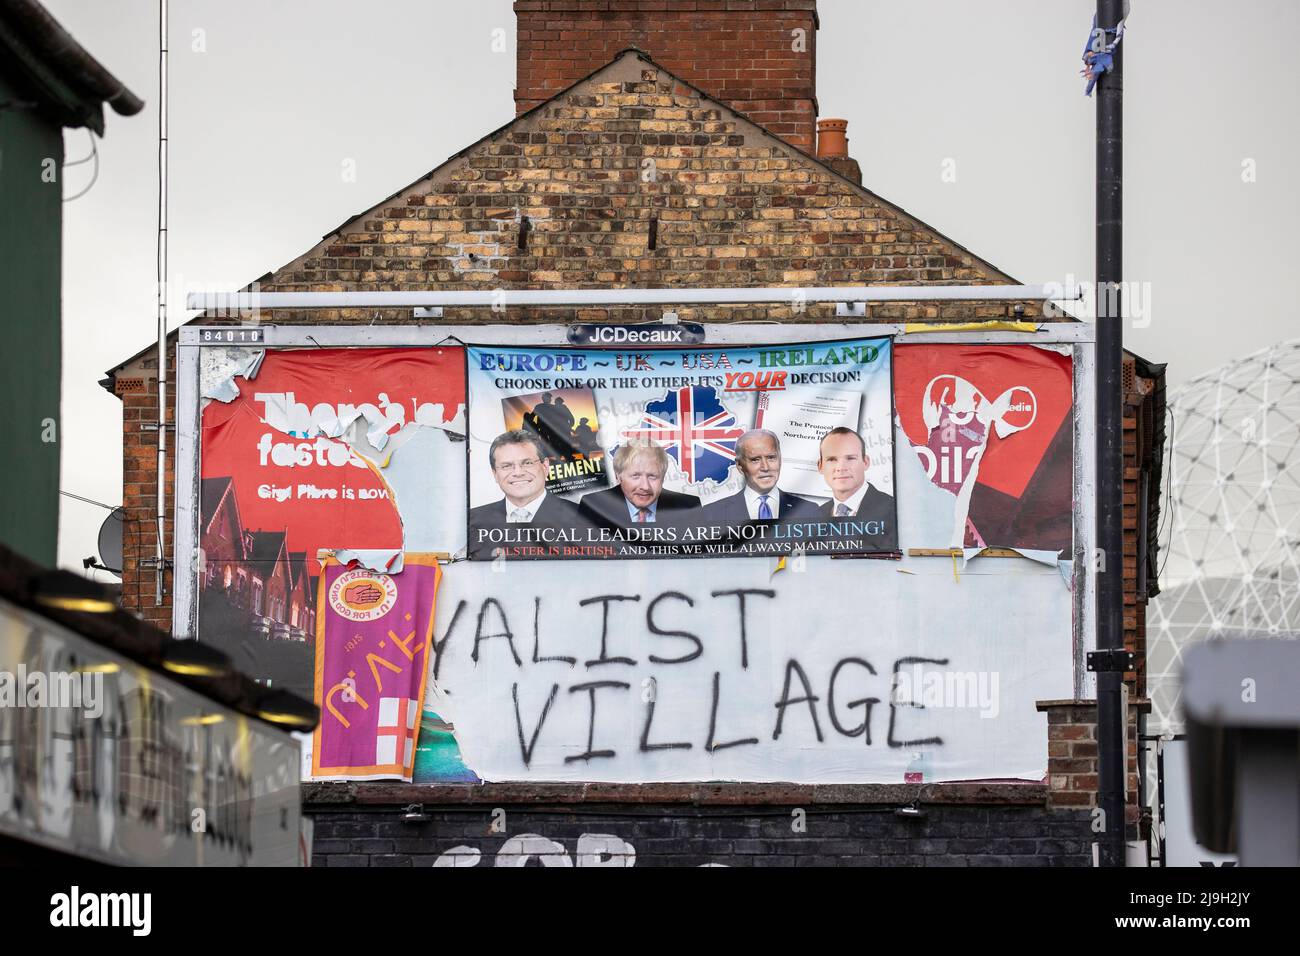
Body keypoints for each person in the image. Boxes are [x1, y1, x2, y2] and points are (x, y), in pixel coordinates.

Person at [468, 430, 583, 557]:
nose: (518, 472)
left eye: (527, 463)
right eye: (506, 466)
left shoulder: (582, 517)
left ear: (545, 467)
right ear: (495, 473)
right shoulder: (474, 520)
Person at [703, 429, 819, 523]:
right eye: (755, 460)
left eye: (771, 457)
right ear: (739, 466)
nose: (765, 467)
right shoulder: (712, 514)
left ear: (780, 459)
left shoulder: (809, 511)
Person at [579, 440, 700, 527]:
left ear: (663, 477)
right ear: (618, 476)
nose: (645, 486)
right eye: (636, 476)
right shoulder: (593, 506)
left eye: (652, 476)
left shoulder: (689, 507)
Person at [815, 426, 893, 524]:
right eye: (832, 459)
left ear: (865, 462)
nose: (841, 468)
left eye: (850, 458)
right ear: (820, 466)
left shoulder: (893, 509)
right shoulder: (816, 515)